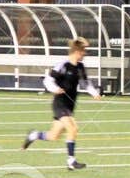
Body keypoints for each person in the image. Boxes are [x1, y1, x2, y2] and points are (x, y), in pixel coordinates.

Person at [21, 38, 100, 170]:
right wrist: (55, 89)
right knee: (73, 128)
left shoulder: (80, 67)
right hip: (59, 103)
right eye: (83, 51)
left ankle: (33, 135)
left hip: (70, 105)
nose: (84, 54)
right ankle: (71, 161)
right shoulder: (63, 65)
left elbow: (86, 84)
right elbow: (48, 80)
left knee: (53, 136)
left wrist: (93, 92)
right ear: (76, 51)